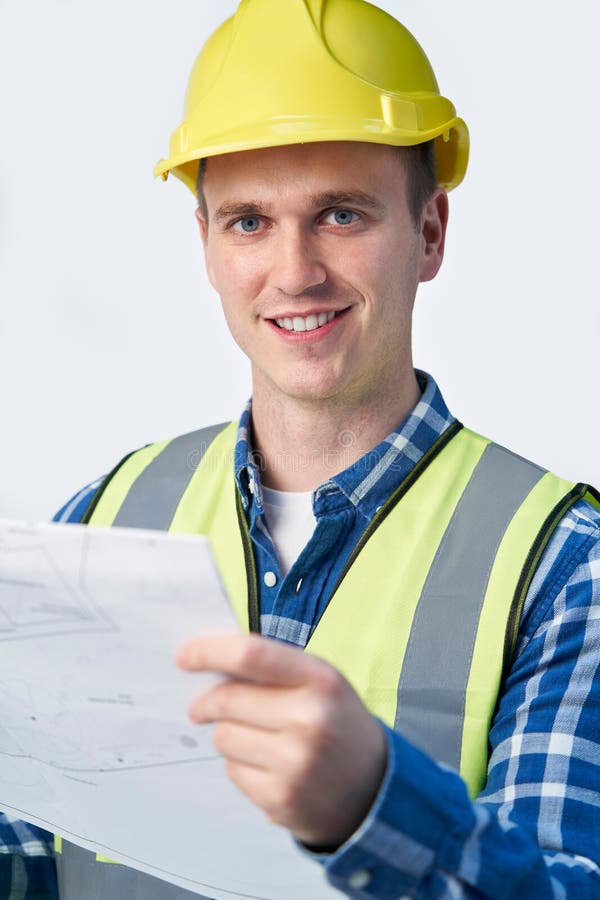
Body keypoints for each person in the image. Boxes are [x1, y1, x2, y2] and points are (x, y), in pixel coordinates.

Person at [4, 0, 600, 897]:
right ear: (205, 245)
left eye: (341, 215)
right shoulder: (102, 520)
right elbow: (33, 854)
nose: (294, 273)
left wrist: (373, 804)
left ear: (429, 233)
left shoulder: (562, 563)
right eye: (248, 221)